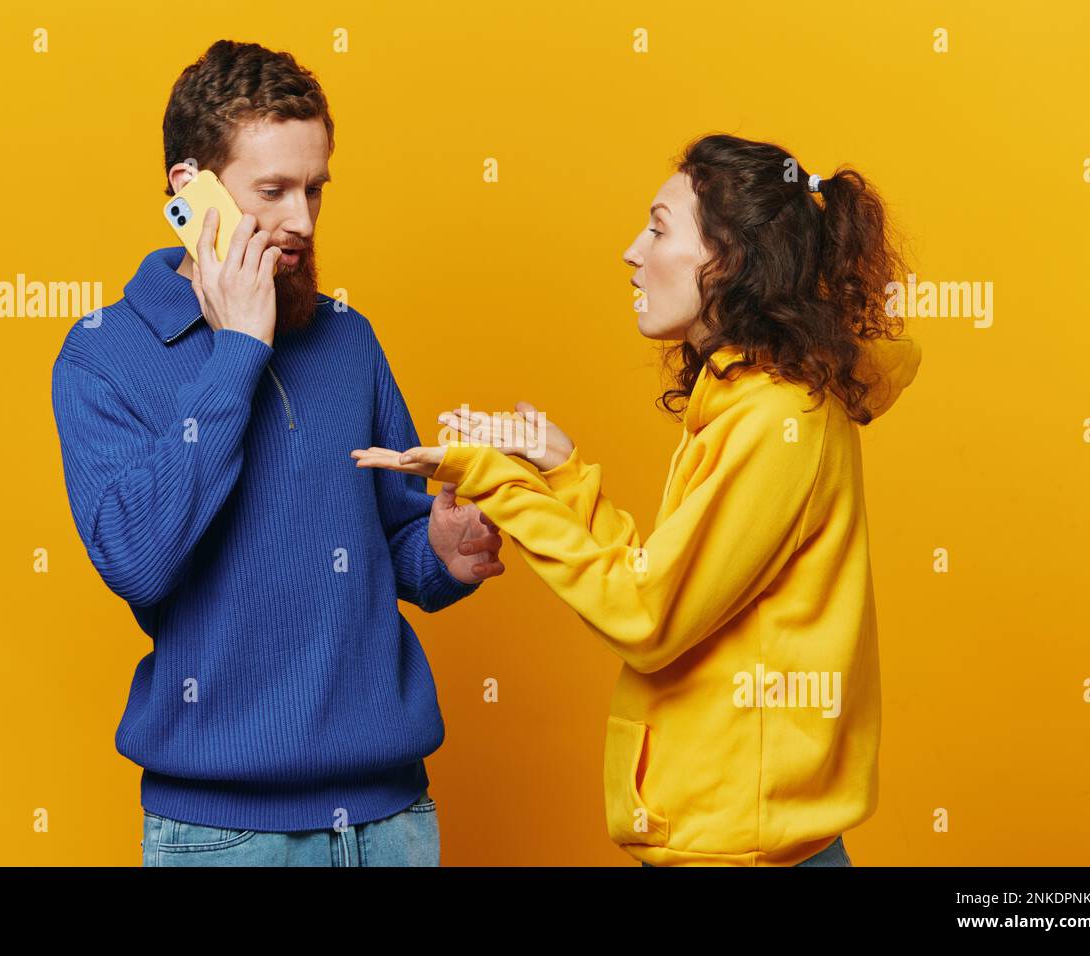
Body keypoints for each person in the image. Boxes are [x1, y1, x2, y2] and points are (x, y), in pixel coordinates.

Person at [353, 133, 923, 866]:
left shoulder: (776, 420)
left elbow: (645, 617)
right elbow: (663, 580)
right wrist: (562, 473)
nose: (632, 250)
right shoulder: (748, 402)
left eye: (658, 228)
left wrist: (499, 479)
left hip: (745, 853)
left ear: (730, 262)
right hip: (728, 842)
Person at [51, 40, 504, 867]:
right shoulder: (101, 355)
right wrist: (237, 352)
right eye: (273, 191)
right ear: (192, 193)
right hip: (222, 835)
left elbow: (399, 544)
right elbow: (136, 562)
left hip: (392, 819)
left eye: (315, 188)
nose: (301, 219)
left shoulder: (346, 338)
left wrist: (445, 549)